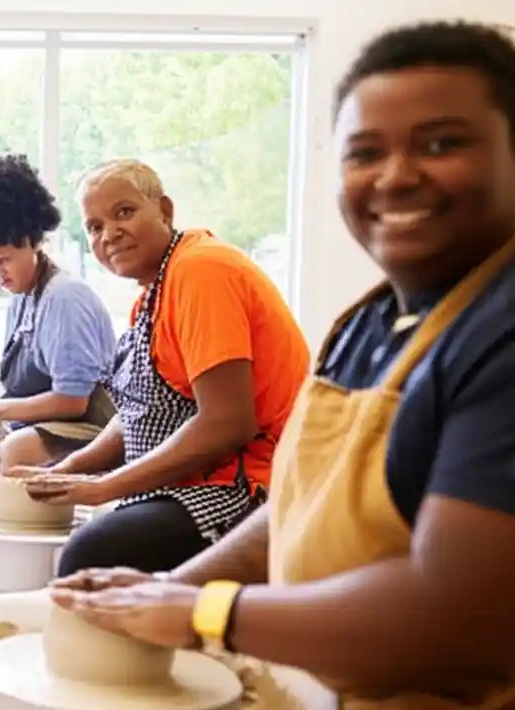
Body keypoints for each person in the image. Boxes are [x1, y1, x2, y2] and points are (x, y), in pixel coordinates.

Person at [49, 21, 515, 710]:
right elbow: (298, 502)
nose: (396, 174)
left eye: (441, 143)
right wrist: (170, 592)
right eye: (364, 152)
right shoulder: (371, 320)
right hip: (319, 685)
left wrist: (209, 609)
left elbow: (467, 626)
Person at [21, 158, 310, 576]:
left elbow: (229, 423)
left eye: (124, 212)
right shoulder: (154, 291)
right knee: (67, 524)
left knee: (90, 554)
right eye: (95, 227)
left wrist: (105, 488)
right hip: (198, 478)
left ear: (165, 211)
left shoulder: (201, 270)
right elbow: (138, 412)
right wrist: (72, 467)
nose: (110, 234)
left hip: (250, 487)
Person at [0, 155, 117, 470]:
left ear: (35, 243)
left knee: (19, 448)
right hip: (58, 423)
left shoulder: (64, 297)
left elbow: (73, 402)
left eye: (5, 260)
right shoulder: (22, 297)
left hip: (102, 430)